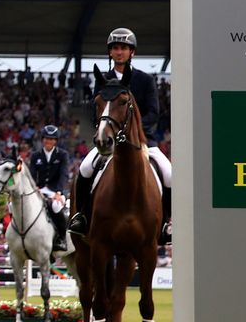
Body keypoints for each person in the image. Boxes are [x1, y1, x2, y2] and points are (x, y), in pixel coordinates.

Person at [68, 27, 173, 244]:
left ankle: (165, 223)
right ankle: (82, 216)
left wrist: (132, 132)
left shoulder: (145, 80)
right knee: (85, 169)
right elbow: (94, 110)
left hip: (141, 141)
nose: (119, 52)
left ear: (131, 52)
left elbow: (153, 112)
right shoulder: (102, 79)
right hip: (109, 140)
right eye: (115, 48)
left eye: (124, 48)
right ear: (110, 52)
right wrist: (109, 131)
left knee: (169, 173)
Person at [27, 124, 72, 252]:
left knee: (55, 206)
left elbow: (64, 175)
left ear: (56, 141)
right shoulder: (36, 155)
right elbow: (31, 174)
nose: (49, 141)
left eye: (52, 139)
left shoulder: (62, 155)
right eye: (46, 138)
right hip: (40, 189)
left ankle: (62, 238)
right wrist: (33, 187)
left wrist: (58, 192)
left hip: (55, 190)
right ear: (42, 139)